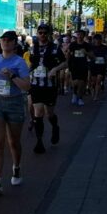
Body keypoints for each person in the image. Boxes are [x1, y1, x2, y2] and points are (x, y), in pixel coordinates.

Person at [0, 31, 31, 194]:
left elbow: (26, 86)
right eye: (3, 39)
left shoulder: (19, 62)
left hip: (14, 102)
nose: (5, 42)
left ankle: (16, 166)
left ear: (14, 43)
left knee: (13, 141)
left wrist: (12, 76)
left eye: (9, 40)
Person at [28, 24, 66, 154]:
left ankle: (55, 127)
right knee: (38, 113)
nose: (42, 35)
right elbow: (31, 64)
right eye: (40, 32)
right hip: (36, 85)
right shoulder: (33, 48)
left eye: (45, 32)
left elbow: (65, 62)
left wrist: (55, 69)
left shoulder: (55, 48)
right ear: (37, 34)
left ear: (49, 34)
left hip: (50, 86)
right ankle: (39, 142)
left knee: (49, 113)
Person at [67, 30, 93, 107]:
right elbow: (68, 54)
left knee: (82, 83)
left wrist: (86, 53)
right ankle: (74, 93)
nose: (79, 36)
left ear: (84, 36)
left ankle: (80, 98)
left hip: (83, 66)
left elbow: (92, 56)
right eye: (78, 35)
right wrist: (68, 63)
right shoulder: (72, 45)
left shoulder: (87, 45)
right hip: (74, 65)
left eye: (81, 35)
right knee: (75, 82)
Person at [88, 33, 107, 101]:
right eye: (96, 39)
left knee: (98, 81)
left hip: (101, 66)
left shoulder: (104, 47)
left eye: (99, 39)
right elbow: (89, 56)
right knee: (93, 82)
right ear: (94, 40)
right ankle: (92, 89)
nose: (97, 41)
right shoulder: (91, 47)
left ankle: (96, 96)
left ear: (101, 40)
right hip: (93, 66)